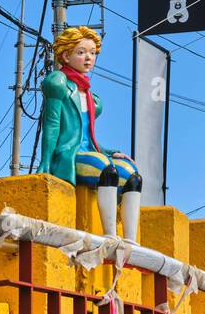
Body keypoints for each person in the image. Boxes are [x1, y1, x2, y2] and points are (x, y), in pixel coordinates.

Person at [38, 26, 140, 192]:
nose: (89, 58)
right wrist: (46, 162)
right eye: (81, 52)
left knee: (132, 175)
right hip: (68, 154)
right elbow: (52, 125)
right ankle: (107, 219)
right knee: (107, 170)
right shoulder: (58, 82)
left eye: (92, 53)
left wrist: (111, 152)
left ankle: (119, 219)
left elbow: (85, 136)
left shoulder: (91, 97)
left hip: (89, 152)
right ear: (66, 55)